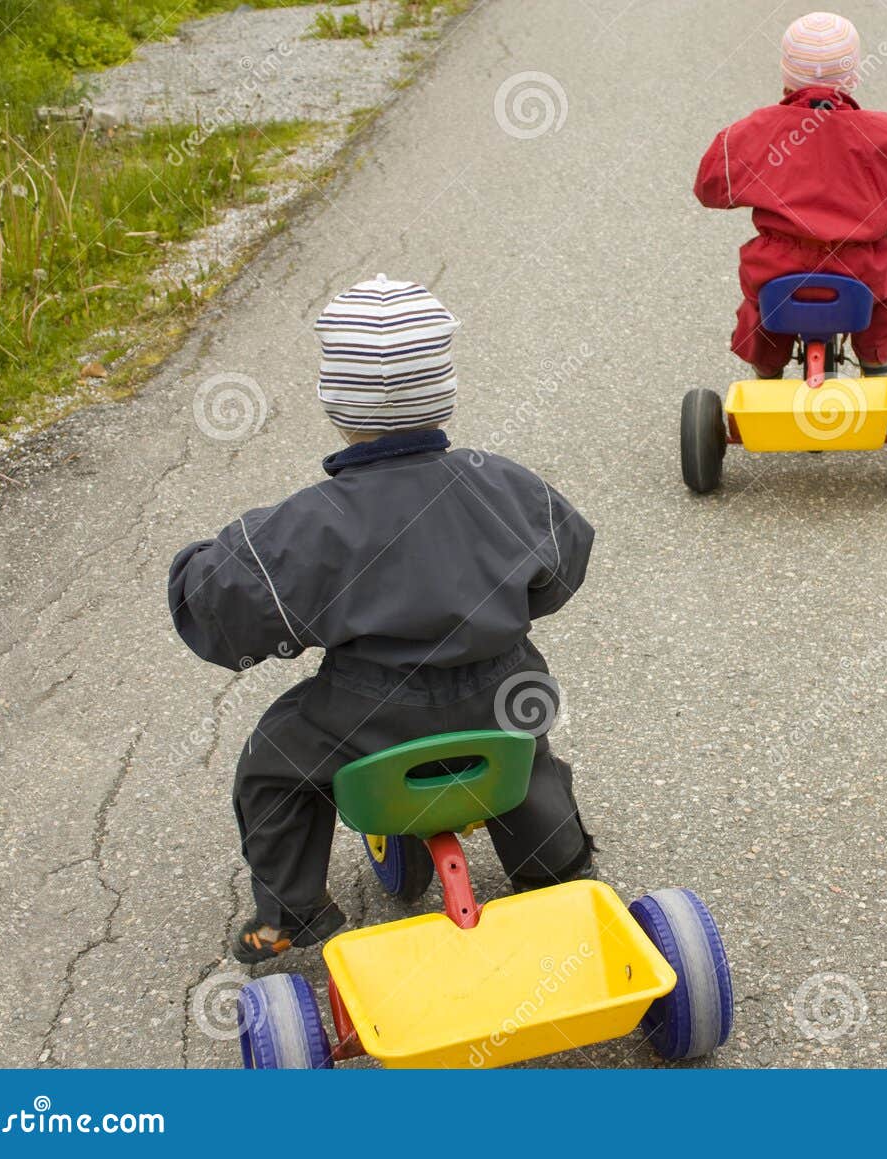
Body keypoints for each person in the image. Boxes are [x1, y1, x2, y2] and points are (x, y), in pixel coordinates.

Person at [168, 274, 595, 963]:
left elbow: (219, 606)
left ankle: (291, 914)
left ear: (334, 399)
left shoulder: (305, 527)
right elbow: (562, 565)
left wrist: (200, 562)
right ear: (445, 390)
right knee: (527, 745)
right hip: (500, 695)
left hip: (365, 719)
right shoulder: (504, 484)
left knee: (271, 769)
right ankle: (556, 864)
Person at [694, 11, 887, 378]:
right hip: (858, 268)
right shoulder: (886, 135)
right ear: (854, 77)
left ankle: (767, 372)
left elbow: (709, 187)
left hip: (779, 266)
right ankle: (876, 362)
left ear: (786, 79)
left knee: (759, 307)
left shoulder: (753, 132)